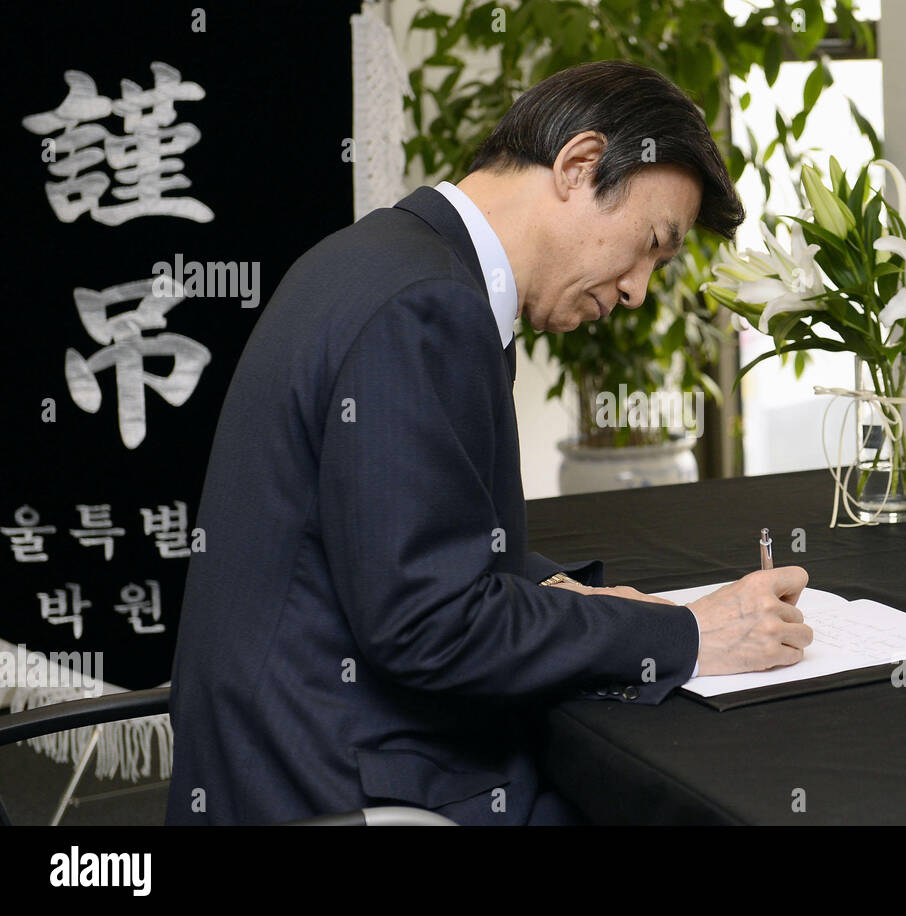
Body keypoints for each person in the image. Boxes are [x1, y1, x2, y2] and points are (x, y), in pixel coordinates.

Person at [165, 60, 813, 826]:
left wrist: (557, 591)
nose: (639, 289)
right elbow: (430, 628)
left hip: (278, 748)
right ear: (578, 164)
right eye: (650, 244)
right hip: (336, 783)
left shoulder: (389, 258)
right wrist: (690, 632)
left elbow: (396, 545)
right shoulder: (430, 306)